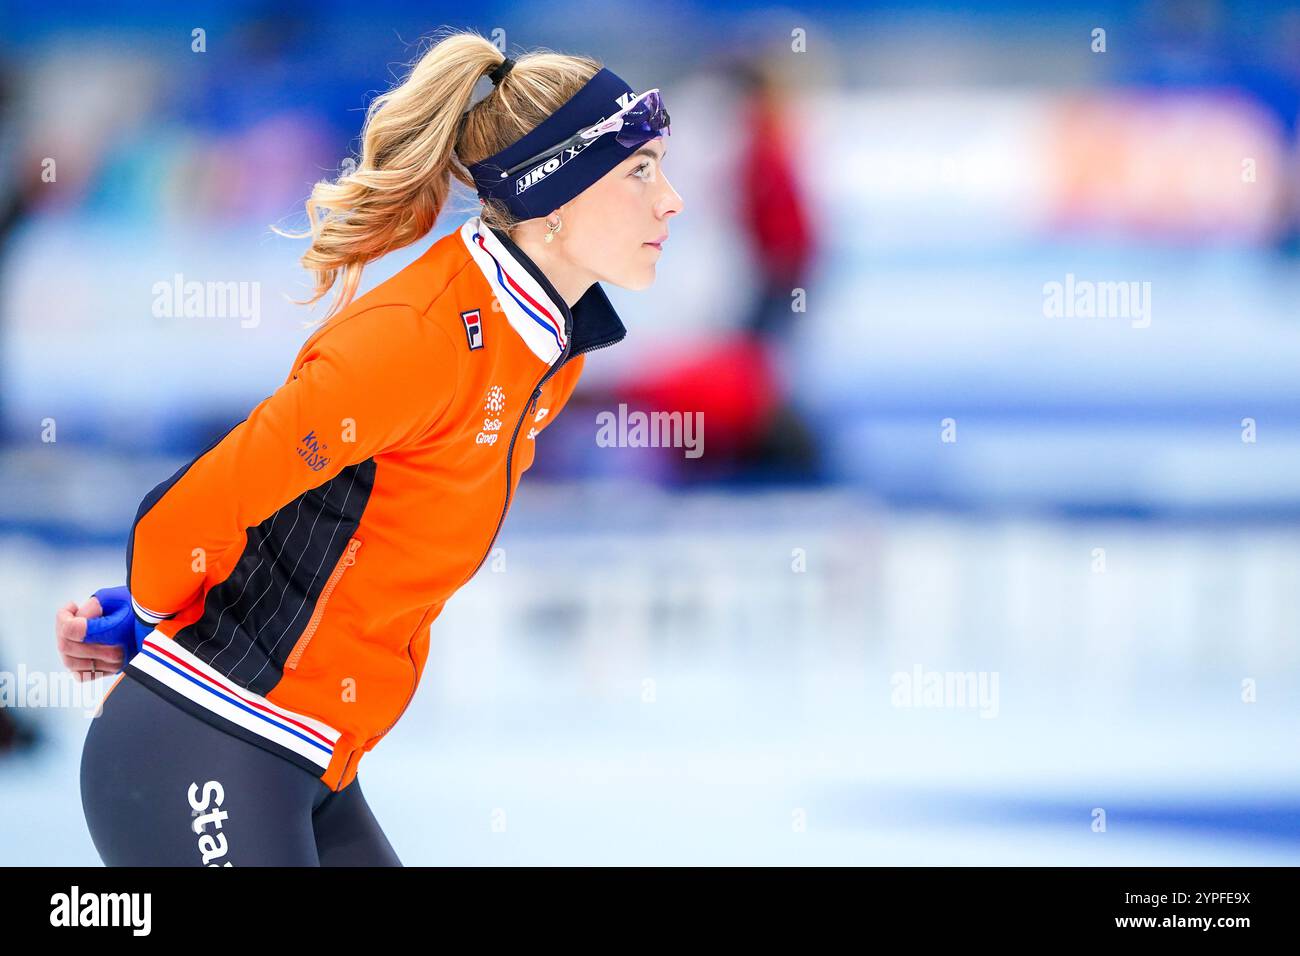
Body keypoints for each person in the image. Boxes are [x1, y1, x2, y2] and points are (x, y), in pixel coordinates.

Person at [54, 30, 682, 866]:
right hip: (208, 738)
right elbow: (193, 512)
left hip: (307, 757)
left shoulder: (539, 354)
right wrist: (158, 606)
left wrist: (157, 614)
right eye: (639, 170)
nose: (671, 199)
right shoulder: (418, 341)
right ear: (552, 196)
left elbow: (341, 529)